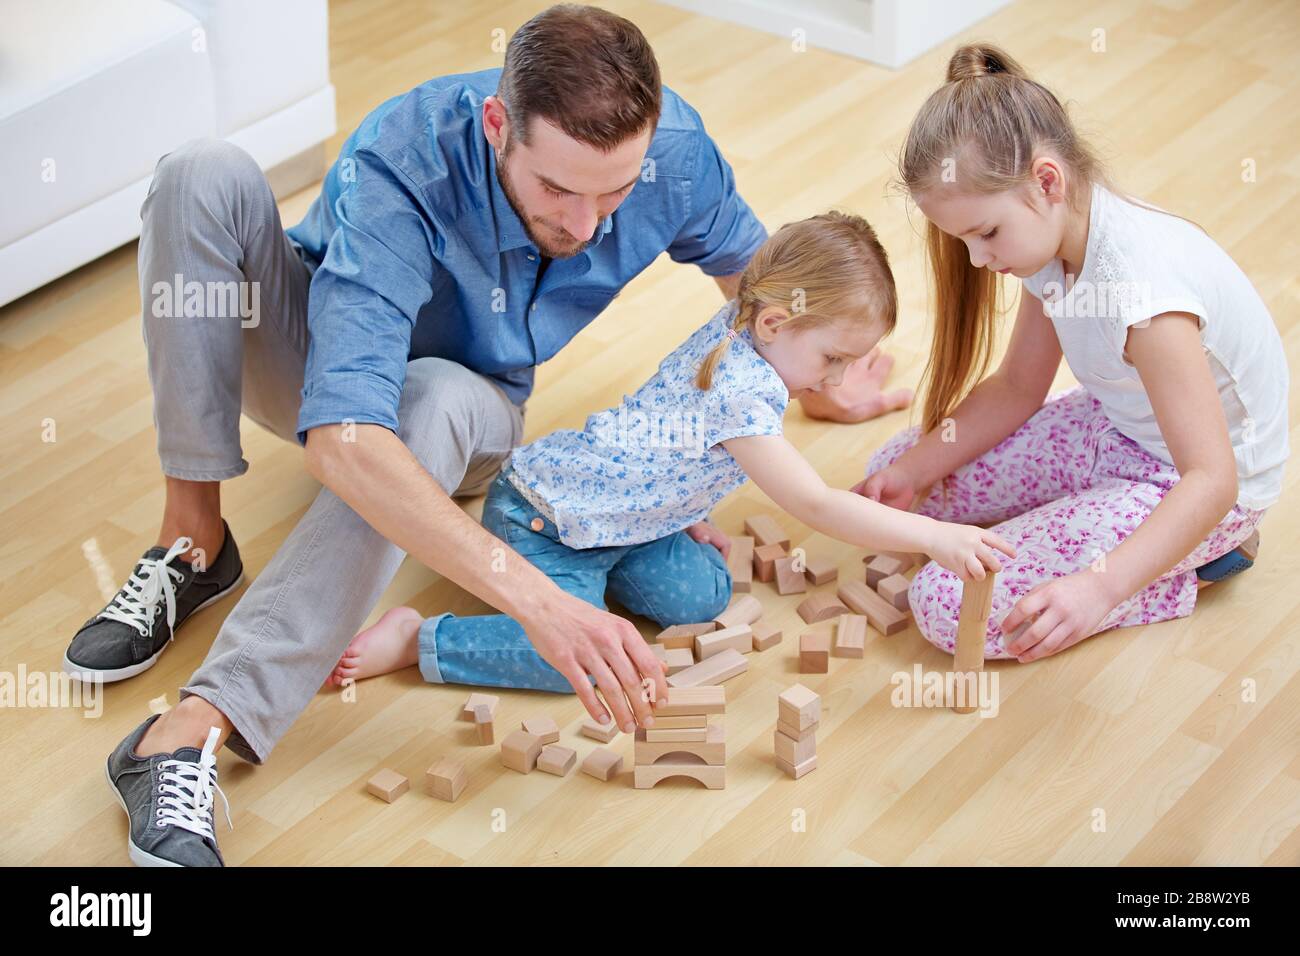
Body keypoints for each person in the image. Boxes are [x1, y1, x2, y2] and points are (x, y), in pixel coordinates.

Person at [329, 212, 1012, 691]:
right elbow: (815, 502)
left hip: (626, 518)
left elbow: (670, 433)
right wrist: (934, 537)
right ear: (774, 323)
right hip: (548, 518)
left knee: (705, 594)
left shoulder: (744, 321)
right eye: (832, 358)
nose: (833, 379)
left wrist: (678, 507)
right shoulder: (744, 391)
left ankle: (622, 565)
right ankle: (420, 639)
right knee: (578, 665)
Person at [855, 43, 1288, 663]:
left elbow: (1211, 479)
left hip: (1207, 489)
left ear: (1047, 182)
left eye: (986, 234)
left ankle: (1204, 559)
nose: (979, 260)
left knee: (950, 601)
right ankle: (1080, 519)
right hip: (1124, 430)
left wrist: (1100, 587)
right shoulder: (1052, 243)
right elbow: (1016, 388)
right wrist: (915, 472)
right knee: (901, 465)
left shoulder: (1144, 296)